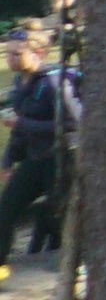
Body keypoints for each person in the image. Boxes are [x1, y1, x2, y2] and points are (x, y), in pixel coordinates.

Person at [5, 28, 73, 263]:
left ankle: (64, 268)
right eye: (8, 53)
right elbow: (18, 130)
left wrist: (23, 123)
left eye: (17, 54)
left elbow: (69, 125)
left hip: (59, 159)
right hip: (33, 159)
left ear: (38, 54)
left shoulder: (54, 81)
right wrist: (8, 161)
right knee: (5, 211)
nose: (10, 58)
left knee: (58, 217)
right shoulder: (19, 83)